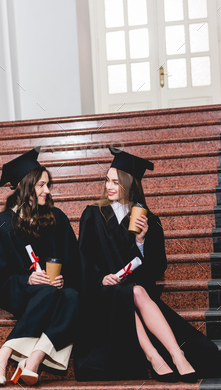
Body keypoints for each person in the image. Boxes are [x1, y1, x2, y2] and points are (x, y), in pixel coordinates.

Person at [74, 148, 221, 382]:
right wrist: (100, 277)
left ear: (130, 185)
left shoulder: (148, 220)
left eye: (116, 182)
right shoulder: (92, 214)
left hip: (135, 291)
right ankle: (154, 355)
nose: (109, 186)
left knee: (135, 291)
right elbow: (82, 257)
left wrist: (141, 241)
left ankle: (176, 354)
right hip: (101, 291)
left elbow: (157, 268)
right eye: (107, 180)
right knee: (128, 293)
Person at [0, 147, 81, 386]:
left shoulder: (56, 218)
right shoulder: (1, 225)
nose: (47, 191)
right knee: (50, 291)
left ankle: (32, 361)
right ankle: (4, 354)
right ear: (24, 187)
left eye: (48, 185)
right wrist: (27, 279)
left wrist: (63, 279)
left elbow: (74, 263)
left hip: (53, 291)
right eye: (41, 185)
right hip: (19, 292)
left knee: (71, 295)